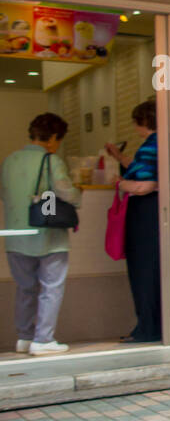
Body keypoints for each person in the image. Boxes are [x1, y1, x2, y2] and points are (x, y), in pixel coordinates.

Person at [1, 113, 82, 355]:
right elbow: (65, 192)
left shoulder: (9, 160)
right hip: (47, 235)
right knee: (51, 286)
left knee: (25, 287)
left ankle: (24, 337)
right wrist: (78, 194)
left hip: (15, 234)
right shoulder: (51, 161)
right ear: (53, 138)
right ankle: (44, 340)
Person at [105, 100, 161, 343]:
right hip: (155, 216)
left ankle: (148, 328)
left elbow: (144, 185)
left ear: (143, 121)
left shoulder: (152, 144)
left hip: (146, 217)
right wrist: (119, 156)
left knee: (144, 272)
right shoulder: (165, 142)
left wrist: (118, 183)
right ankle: (154, 325)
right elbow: (146, 172)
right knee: (153, 271)